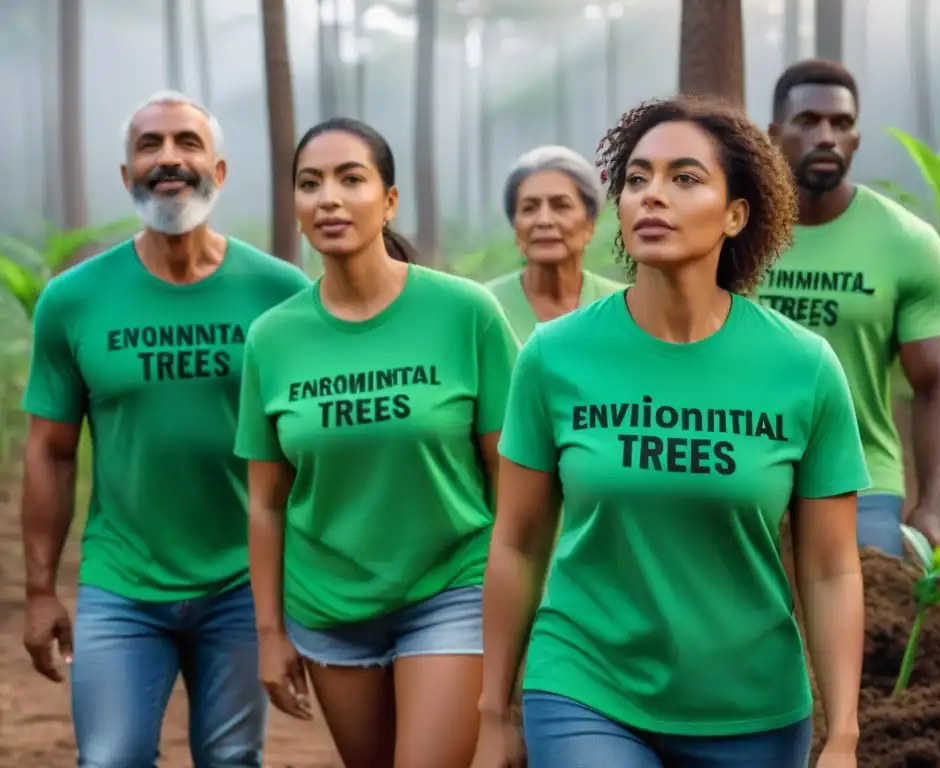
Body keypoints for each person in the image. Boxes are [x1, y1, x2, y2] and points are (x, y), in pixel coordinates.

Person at [471, 96, 868, 768]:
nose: (653, 195)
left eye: (684, 178)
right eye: (636, 179)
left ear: (736, 215)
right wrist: (492, 714)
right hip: (584, 684)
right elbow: (517, 542)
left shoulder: (804, 368)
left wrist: (845, 736)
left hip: (753, 707)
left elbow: (830, 569)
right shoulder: (552, 355)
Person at [20, 90, 311, 767]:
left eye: (187, 142)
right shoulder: (74, 301)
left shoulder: (282, 292)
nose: (169, 158)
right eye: (149, 145)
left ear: (220, 169)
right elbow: (50, 453)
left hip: (245, 582)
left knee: (231, 760)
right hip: (123, 582)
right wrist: (39, 591)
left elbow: (312, 447)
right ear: (127, 176)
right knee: (110, 758)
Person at [235, 116, 519, 768]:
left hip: (450, 589)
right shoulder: (272, 339)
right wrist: (271, 633)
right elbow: (265, 504)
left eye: (350, 178)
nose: (328, 198)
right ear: (297, 208)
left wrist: (518, 617)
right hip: (329, 610)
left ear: (389, 200)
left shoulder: (465, 313)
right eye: (310, 184)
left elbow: (511, 484)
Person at [763, 59, 940, 555]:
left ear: (856, 138)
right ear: (773, 134)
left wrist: (933, 508)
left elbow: (937, 383)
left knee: (871, 625)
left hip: (861, 482)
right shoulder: (729, 234)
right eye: (808, 122)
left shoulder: (907, 243)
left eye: (842, 123)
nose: (827, 136)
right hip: (741, 473)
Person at [485, 145, 625, 342]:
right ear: (515, 226)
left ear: (590, 224)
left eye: (561, 206)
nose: (544, 220)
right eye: (529, 208)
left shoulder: (624, 308)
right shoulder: (483, 306)